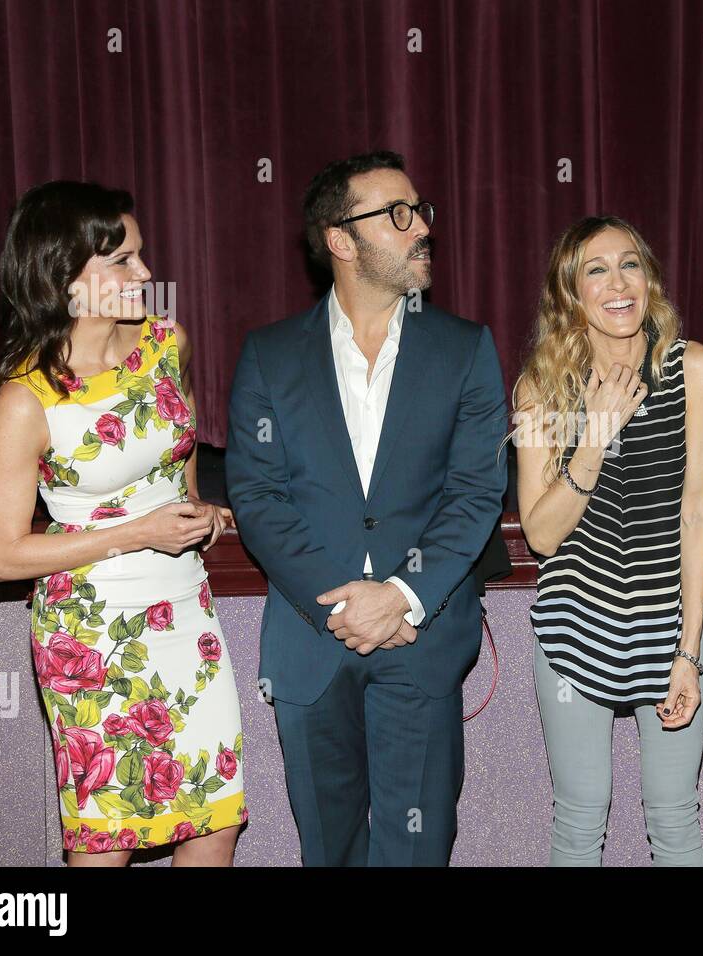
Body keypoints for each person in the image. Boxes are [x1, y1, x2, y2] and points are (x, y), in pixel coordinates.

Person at [226, 151, 506, 867]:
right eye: (398, 214)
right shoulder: (270, 355)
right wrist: (344, 608)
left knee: (417, 850)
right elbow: (258, 497)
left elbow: (475, 493)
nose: (422, 230)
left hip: (423, 639)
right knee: (330, 852)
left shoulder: (464, 349)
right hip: (311, 646)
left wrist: (402, 597)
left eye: (421, 213)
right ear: (341, 240)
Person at [0, 181, 247, 865]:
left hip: (186, 613)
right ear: (63, 275)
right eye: (123, 261)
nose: (147, 275)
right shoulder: (26, 398)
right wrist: (136, 533)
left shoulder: (166, 343)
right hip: (91, 638)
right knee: (108, 838)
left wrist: (199, 513)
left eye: (141, 255)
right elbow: (2, 557)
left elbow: (178, 460)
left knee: (215, 820)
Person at [514, 216, 703, 865]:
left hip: (671, 625)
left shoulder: (696, 369)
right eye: (595, 270)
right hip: (575, 626)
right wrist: (596, 437)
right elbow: (542, 536)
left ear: (649, 278)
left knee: (675, 818)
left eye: (629, 264)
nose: (617, 283)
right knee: (579, 821)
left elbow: (697, 512)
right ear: (570, 294)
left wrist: (688, 649)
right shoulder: (538, 388)